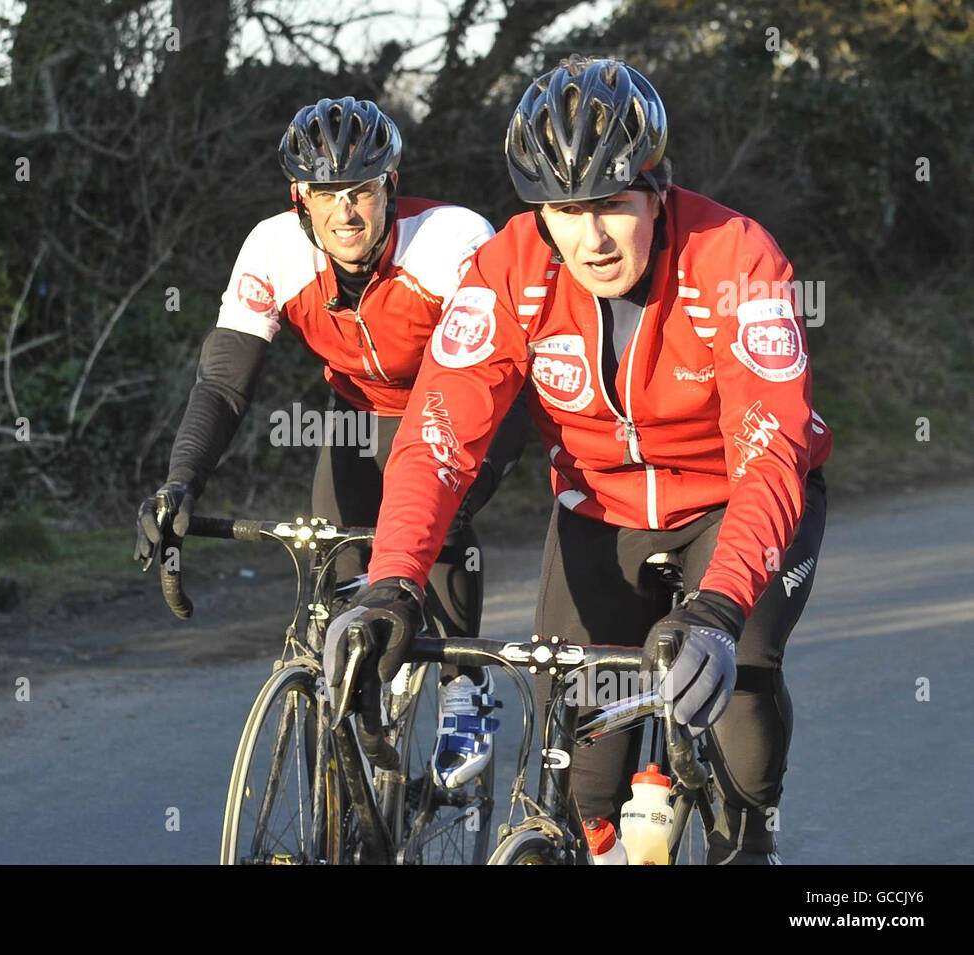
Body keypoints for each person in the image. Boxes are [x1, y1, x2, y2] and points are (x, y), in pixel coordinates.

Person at [326, 56, 832, 864]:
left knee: (740, 680)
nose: (589, 237)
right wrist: (393, 581)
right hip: (599, 514)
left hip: (735, 507)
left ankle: (749, 843)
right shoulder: (511, 269)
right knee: (582, 790)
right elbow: (437, 437)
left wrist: (717, 610)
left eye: (611, 205)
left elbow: (773, 450)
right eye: (563, 210)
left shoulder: (734, 256)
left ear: (657, 190)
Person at [135, 96, 528, 788]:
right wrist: (181, 482)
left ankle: (464, 686)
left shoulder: (451, 240)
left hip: (461, 408)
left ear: (390, 187)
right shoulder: (274, 249)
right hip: (358, 415)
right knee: (336, 562)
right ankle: (349, 763)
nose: (344, 213)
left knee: (443, 521)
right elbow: (225, 384)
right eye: (325, 194)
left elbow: (502, 378)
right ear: (300, 198)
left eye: (362, 191)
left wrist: (462, 482)